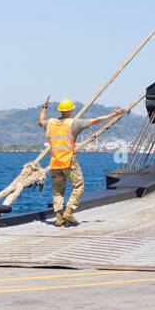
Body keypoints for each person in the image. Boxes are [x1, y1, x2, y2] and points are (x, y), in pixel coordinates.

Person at [38, 96, 127, 228]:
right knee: (78, 186)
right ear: (70, 111)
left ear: (60, 110)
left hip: (55, 162)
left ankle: (58, 218)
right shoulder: (74, 123)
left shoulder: (50, 123)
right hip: (68, 161)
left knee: (57, 191)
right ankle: (68, 212)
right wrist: (113, 115)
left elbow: (40, 121)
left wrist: (44, 108)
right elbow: (95, 121)